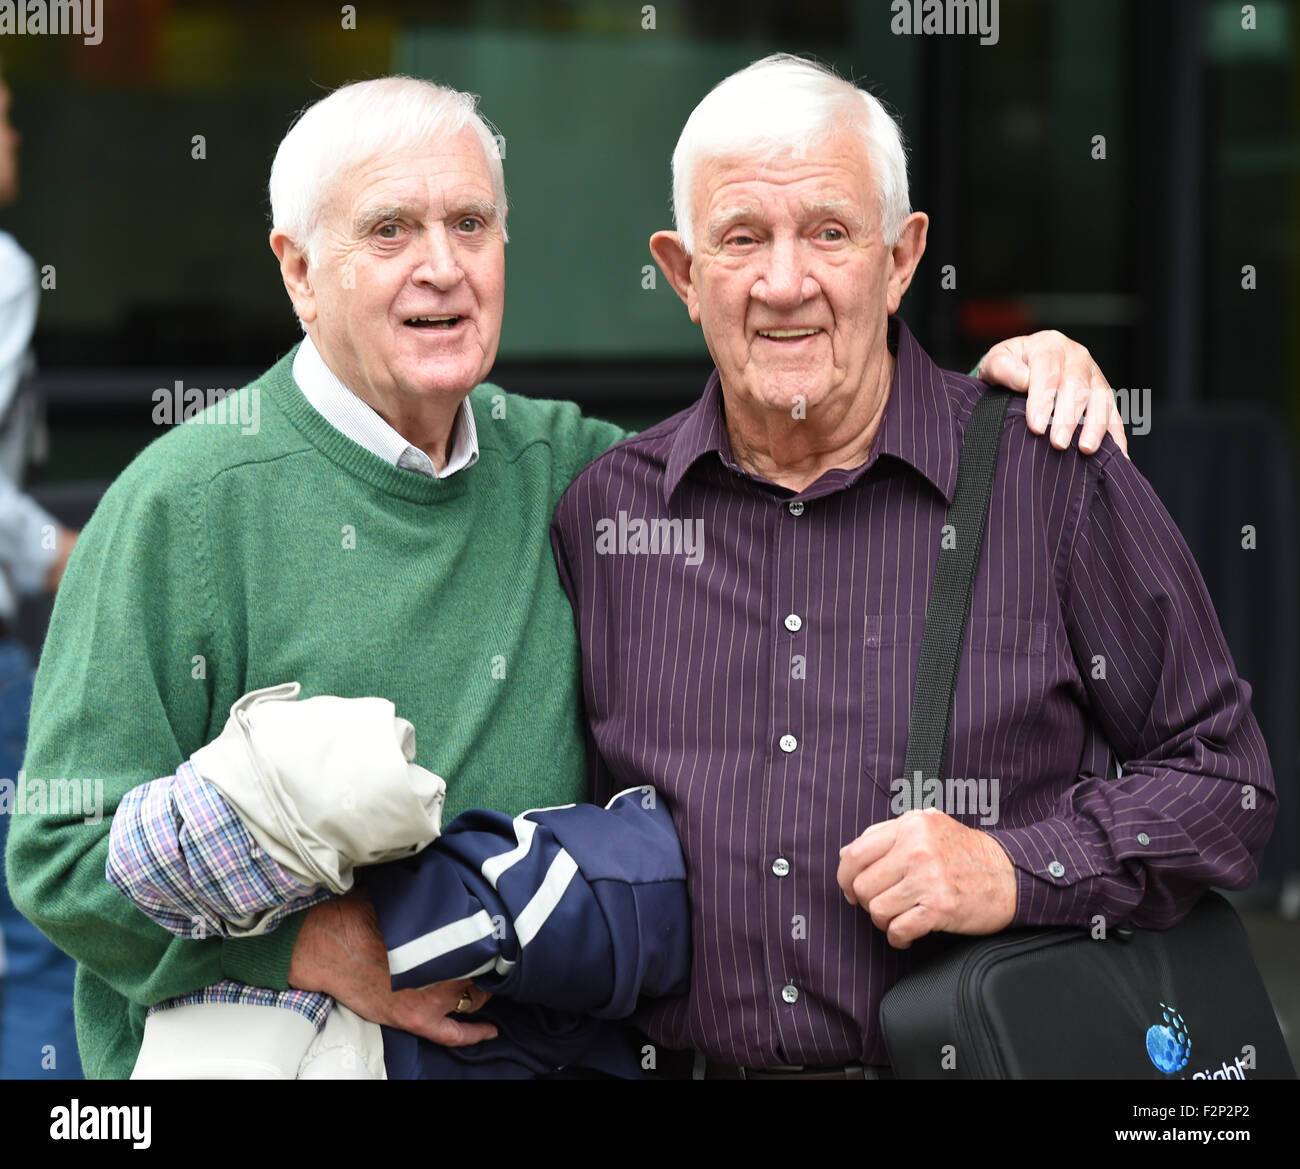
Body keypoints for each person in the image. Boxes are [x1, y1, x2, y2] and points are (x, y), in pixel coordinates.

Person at [7, 73, 1120, 1079]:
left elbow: (788, 432)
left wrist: (1004, 395)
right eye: (389, 229)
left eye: (469, 223)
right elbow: (58, 856)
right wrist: (320, 945)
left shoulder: (576, 473)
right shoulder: (183, 506)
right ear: (298, 269)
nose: (441, 265)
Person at [549, 54, 1277, 1078]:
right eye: (742, 238)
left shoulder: (1048, 474)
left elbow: (1226, 782)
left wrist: (1014, 868)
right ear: (682, 274)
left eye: (829, 232)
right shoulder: (608, 518)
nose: (785, 283)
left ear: (900, 259)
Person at [0, 67, 79, 1080]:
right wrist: (61, 551)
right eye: (3, 118)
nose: (14, 137)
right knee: (38, 929)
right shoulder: (6, 266)